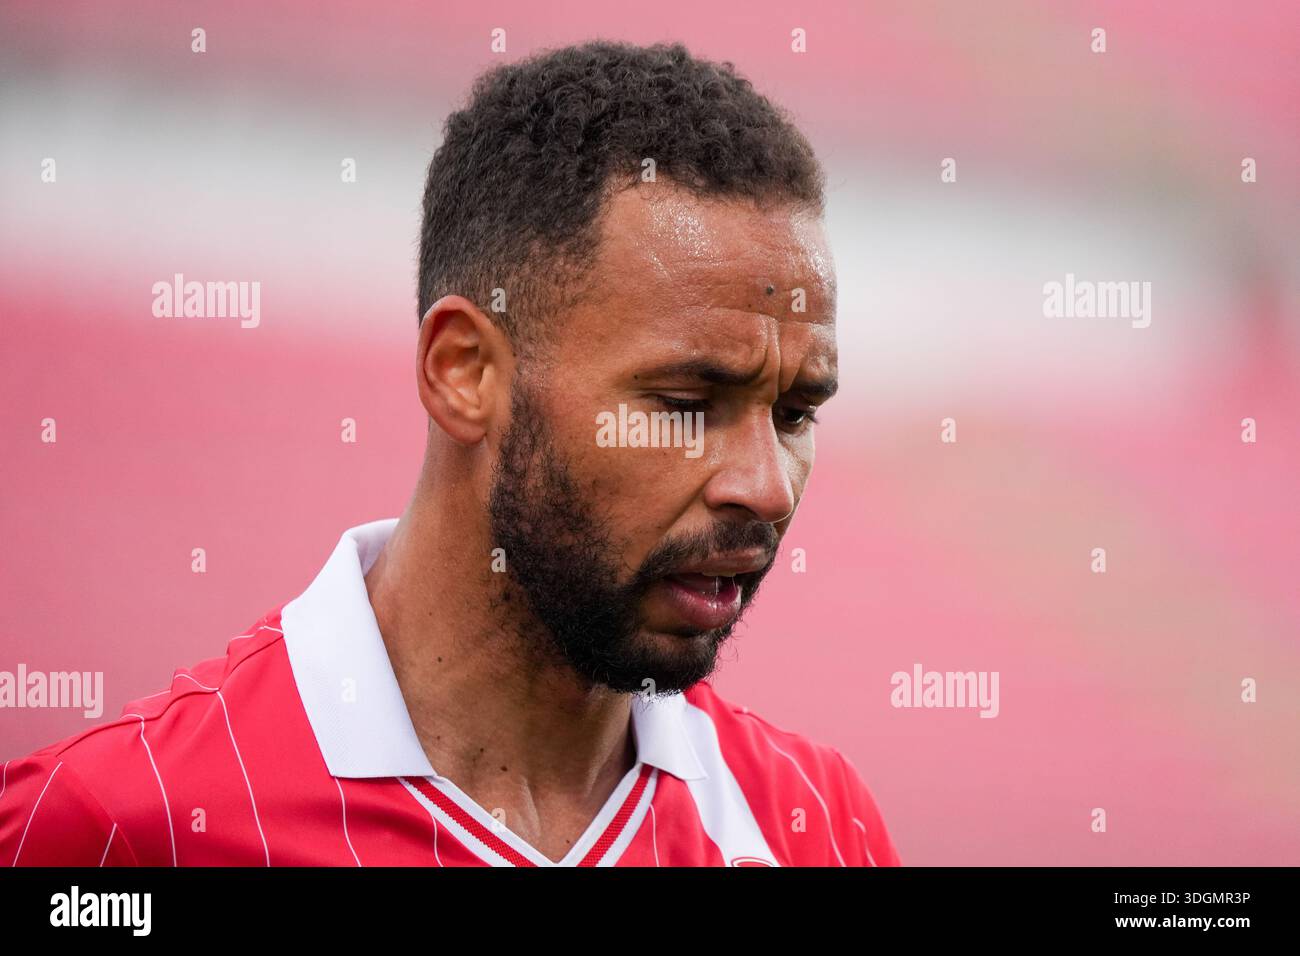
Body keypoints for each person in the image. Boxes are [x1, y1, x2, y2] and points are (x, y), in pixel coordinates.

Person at [0, 40, 899, 867]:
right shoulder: (116, 824)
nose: (765, 487)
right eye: (684, 405)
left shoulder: (817, 825)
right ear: (465, 372)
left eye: (794, 411)